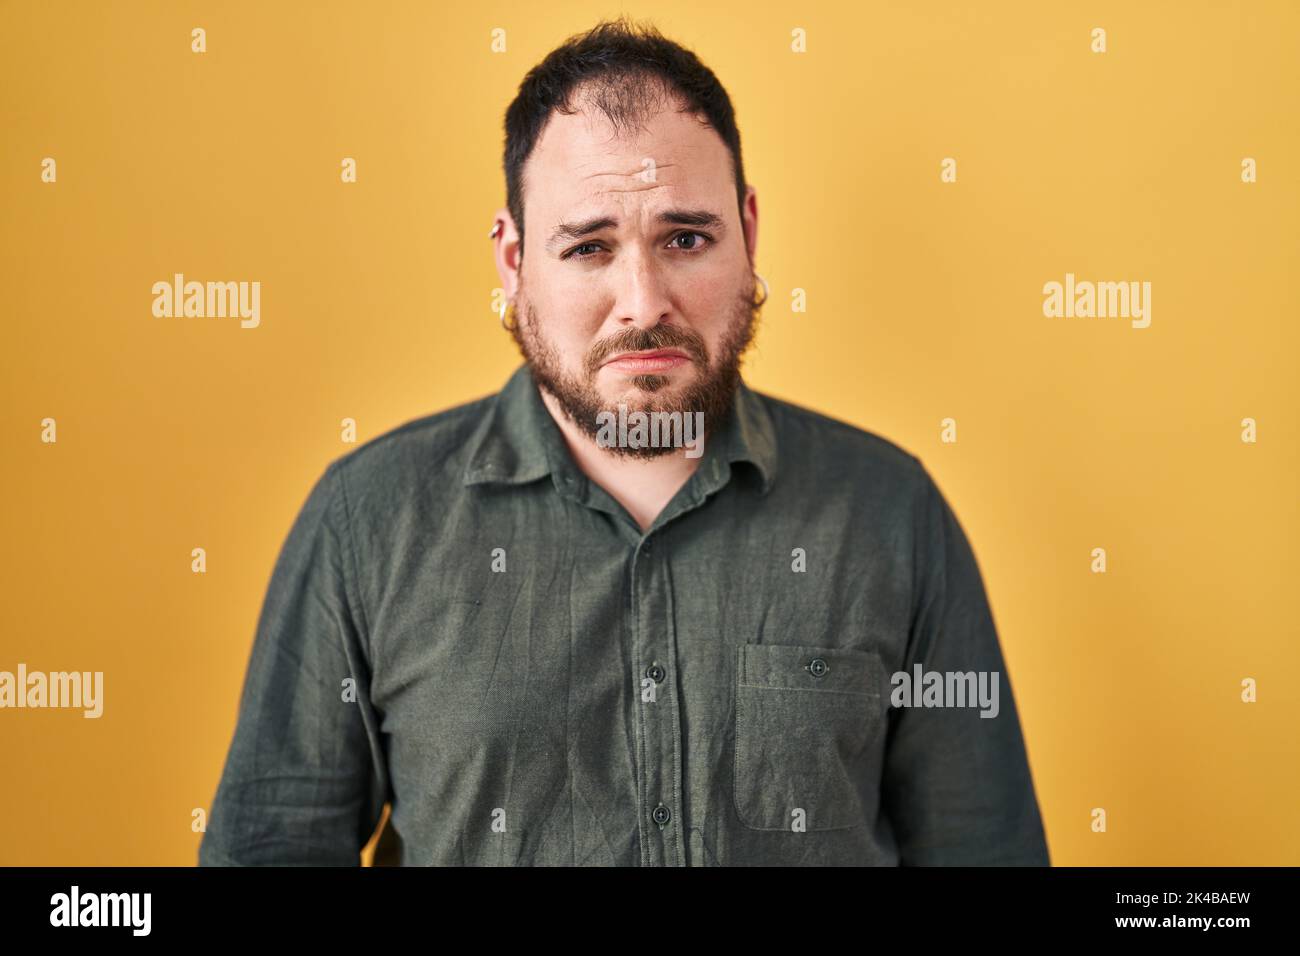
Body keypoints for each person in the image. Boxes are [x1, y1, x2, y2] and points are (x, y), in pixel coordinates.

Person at [199, 16, 1049, 866]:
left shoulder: (890, 514)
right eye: (589, 246)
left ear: (748, 235)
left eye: (685, 239)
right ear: (514, 260)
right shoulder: (367, 522)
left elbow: (986, 850)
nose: (643, 302)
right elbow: (269, 848)